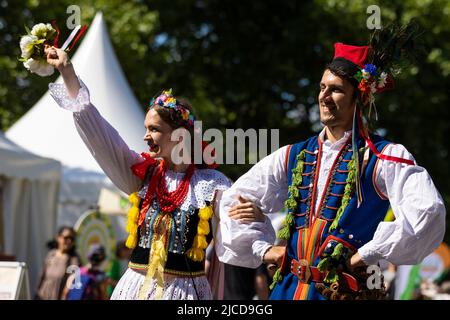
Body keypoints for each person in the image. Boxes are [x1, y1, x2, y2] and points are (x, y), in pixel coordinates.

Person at [219, 24, 446, 300]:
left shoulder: (385, 156)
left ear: (360, 97)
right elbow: (233, 200)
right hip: (287, 290)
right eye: (322, 87)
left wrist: (365, 255)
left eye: (336, 90)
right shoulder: (293, 155)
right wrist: (264, 249)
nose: (324, 96)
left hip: (344, 292)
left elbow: (428, 212)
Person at [43, 45, 265, 300]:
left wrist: (255, 217)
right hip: (134, 289)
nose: (145, 136)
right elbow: (101, 137)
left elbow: (239, 226)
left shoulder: (212, 185)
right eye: (146, 128)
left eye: (154, 129)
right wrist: (66, 70)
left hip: (184, 294)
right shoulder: (143, 175)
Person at [35, 226, 81, 300]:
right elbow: (42, 277)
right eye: (66, 237)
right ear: (58, 238)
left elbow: (72, 283)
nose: (69, 241)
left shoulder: (74, 259)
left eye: (71, 239)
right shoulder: (51, 254)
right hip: (42, 295)